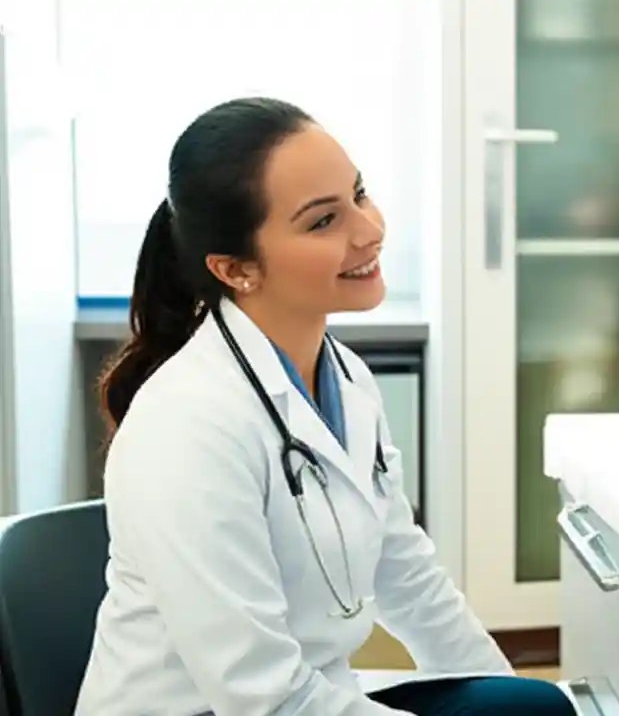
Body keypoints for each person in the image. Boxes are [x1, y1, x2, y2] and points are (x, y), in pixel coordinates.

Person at [76, 97, 574, 716]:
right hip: (223, 710)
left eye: (359, 194)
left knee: (531, 707)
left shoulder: (346, 378)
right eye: (323, 221)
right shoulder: (186, 427)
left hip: (309, 693)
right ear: (236, 269)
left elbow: (406, 574)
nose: (369, 231)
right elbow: (261, 696)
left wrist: (502, 683)